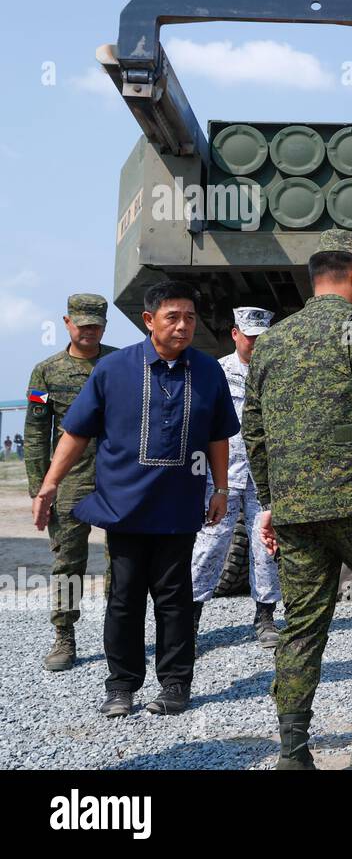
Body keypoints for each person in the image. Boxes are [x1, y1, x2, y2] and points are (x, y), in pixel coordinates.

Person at [242, 230, 352, 770]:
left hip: (296, 510)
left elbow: (254, 428)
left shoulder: (270, 341)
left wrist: (269, 501)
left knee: (302, 624)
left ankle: (293, 754)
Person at [33, 282, 239, 717]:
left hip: (180, 506)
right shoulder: (113, 370)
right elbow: (76, 432)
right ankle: (121, 686)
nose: (183, 326)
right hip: (123, 507)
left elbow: (220, 434)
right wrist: (50, 483)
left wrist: (219, 489)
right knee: (124, 600)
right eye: (172, 317)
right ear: (149, 321)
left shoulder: (207, 371)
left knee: (175, 598)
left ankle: (175, 684)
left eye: (189, 318)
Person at [25, 294, 118, 672]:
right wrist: (39, 488)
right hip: (70, 482)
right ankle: (65, 634)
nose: (88, 331)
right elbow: (35, 432)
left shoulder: (121, 363)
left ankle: (118, 633)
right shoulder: (45, 373)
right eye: (82, 324)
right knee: (67, 561)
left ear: (104, 325)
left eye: (95, 324)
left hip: (116, 478)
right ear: (67, 323)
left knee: (123, 560)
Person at [191, 306, 281, 651]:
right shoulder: (215, 372)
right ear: (234, 334)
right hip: (222, 476)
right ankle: (192, 614)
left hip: (264, 477)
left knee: (265, 547)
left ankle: (265, 616)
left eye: (262, 338)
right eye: (249, 337)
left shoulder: (278, 372)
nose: (255, 344)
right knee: (210, 545)